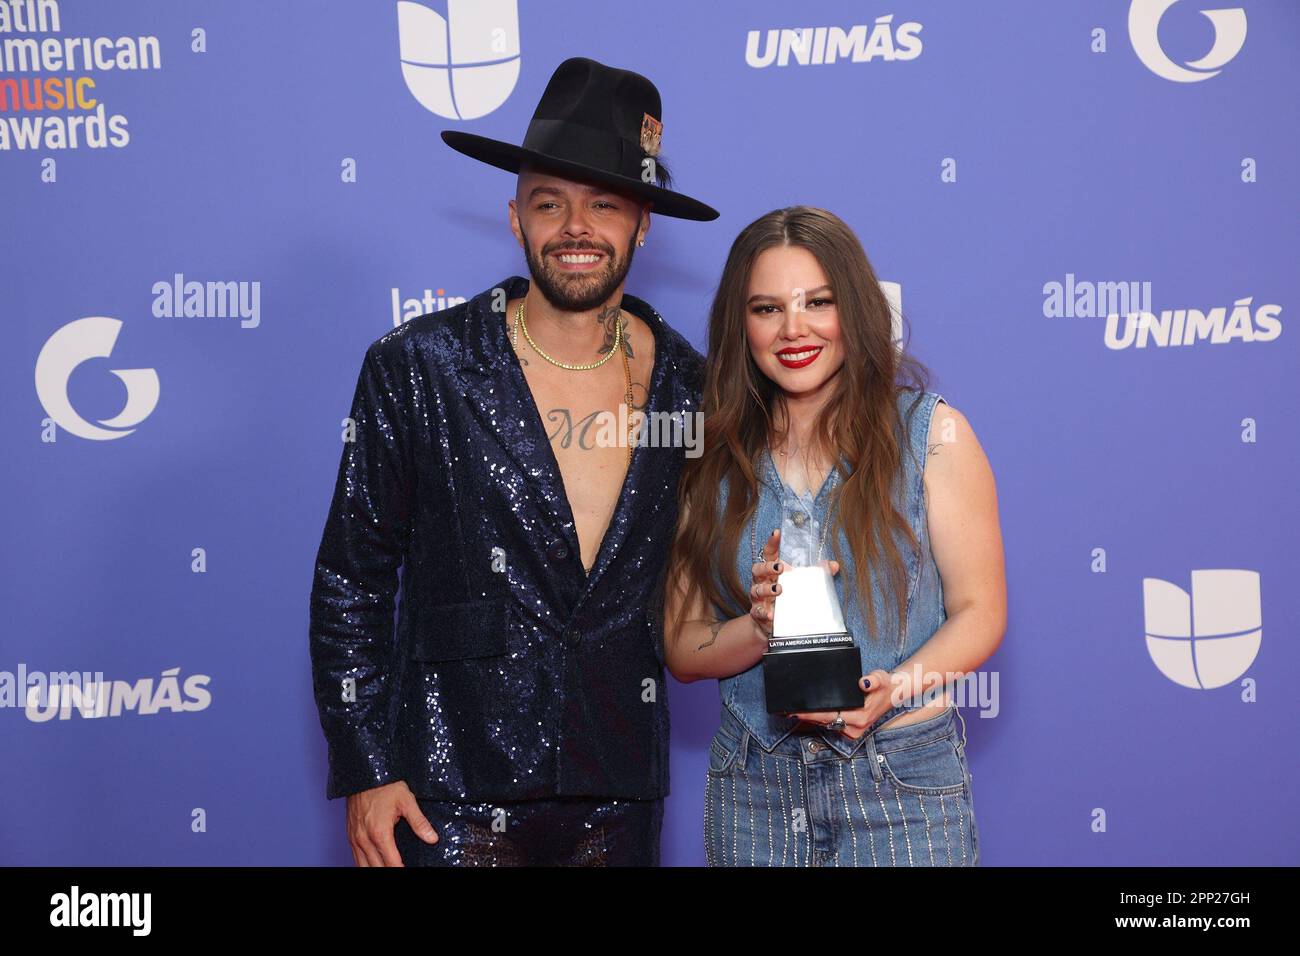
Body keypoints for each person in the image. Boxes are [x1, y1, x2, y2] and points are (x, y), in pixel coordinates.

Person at [308, 57, 718, 866]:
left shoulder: (689, 384)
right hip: (448, 788)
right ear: (514, 217)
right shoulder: (418, 367)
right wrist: (366, 764)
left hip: (619, 790)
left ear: (642, 225)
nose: (575, 228)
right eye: (549, 203)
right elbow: (352, 577)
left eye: (604, 204)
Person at [663, 206, 1006, 866]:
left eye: (818, 302)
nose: (795, 329)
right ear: (741, 325)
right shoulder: (708, 455)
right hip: (753, 789)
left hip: (900, 786)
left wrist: (893, 689)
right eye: (766, 309)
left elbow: (980, 611)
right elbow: (683, 648)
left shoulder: (934, 435)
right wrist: (759, 624)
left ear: (855, 308)